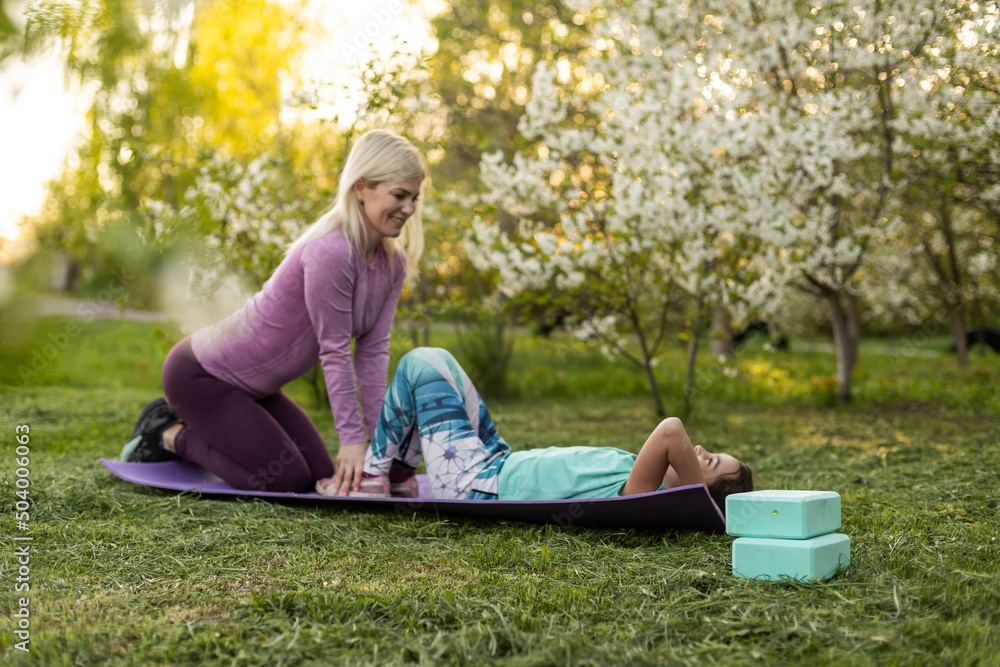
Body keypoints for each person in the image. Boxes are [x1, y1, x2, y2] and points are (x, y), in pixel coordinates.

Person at [121, 129, 426, 495]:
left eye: (414, 197)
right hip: (201, 375)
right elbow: (334, 350)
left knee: (319, 474)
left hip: (255, 389)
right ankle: (167, 434)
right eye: (399, 195)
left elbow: (373, 353)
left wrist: (378, 450)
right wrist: (351, 441)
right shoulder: (331, 253)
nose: (409, 208)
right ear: (361, 188)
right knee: (286, 478)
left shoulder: (392, 264)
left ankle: (203, 430)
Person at [315, 348, 753, 512]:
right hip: (496, 461)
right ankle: (397, 478)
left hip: (474, 485)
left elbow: (672, 430)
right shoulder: (640, 475)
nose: (699, 449)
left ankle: (373, 478)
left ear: (700, 488)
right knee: (441, 362)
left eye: (711, 461)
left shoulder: (641, 492)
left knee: (420, 362)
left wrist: (699, 507)